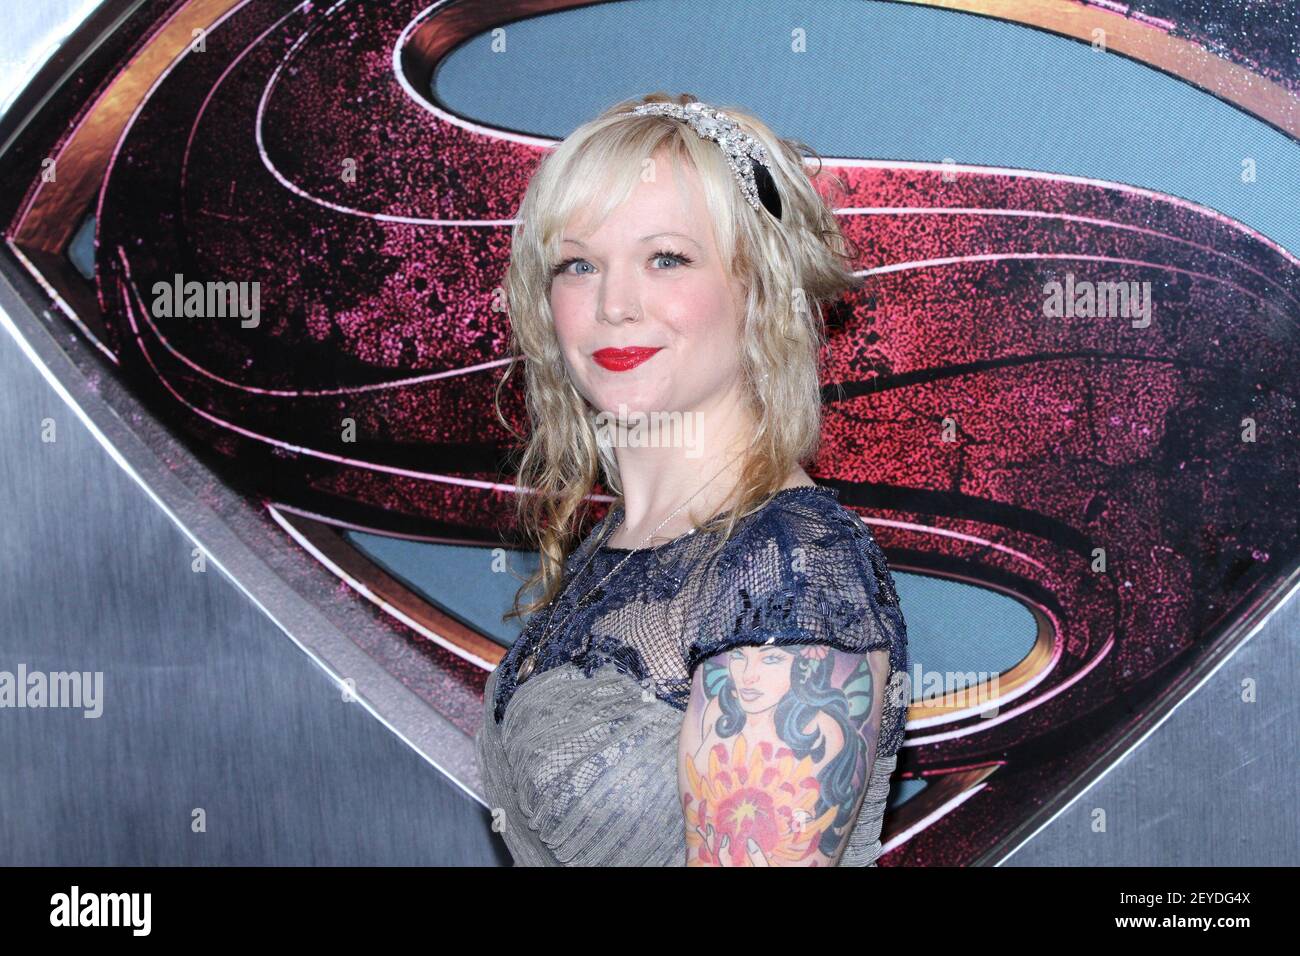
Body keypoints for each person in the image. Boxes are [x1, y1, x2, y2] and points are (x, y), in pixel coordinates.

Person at [475, 92, 910, 866]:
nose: (613, 305)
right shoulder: (618, 549)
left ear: (758, 289)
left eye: (666, 258)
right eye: (579, 264)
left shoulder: (788, 568)